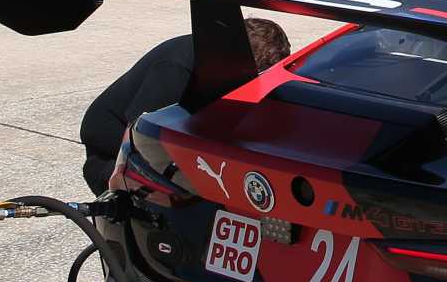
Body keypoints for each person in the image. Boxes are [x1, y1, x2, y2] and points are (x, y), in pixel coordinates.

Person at [79, 17, 291, 194]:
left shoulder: (220, 58)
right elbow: (136, 129)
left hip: (163, 135)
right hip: (111, 149)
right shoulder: (177, 67)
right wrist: (121, 178)